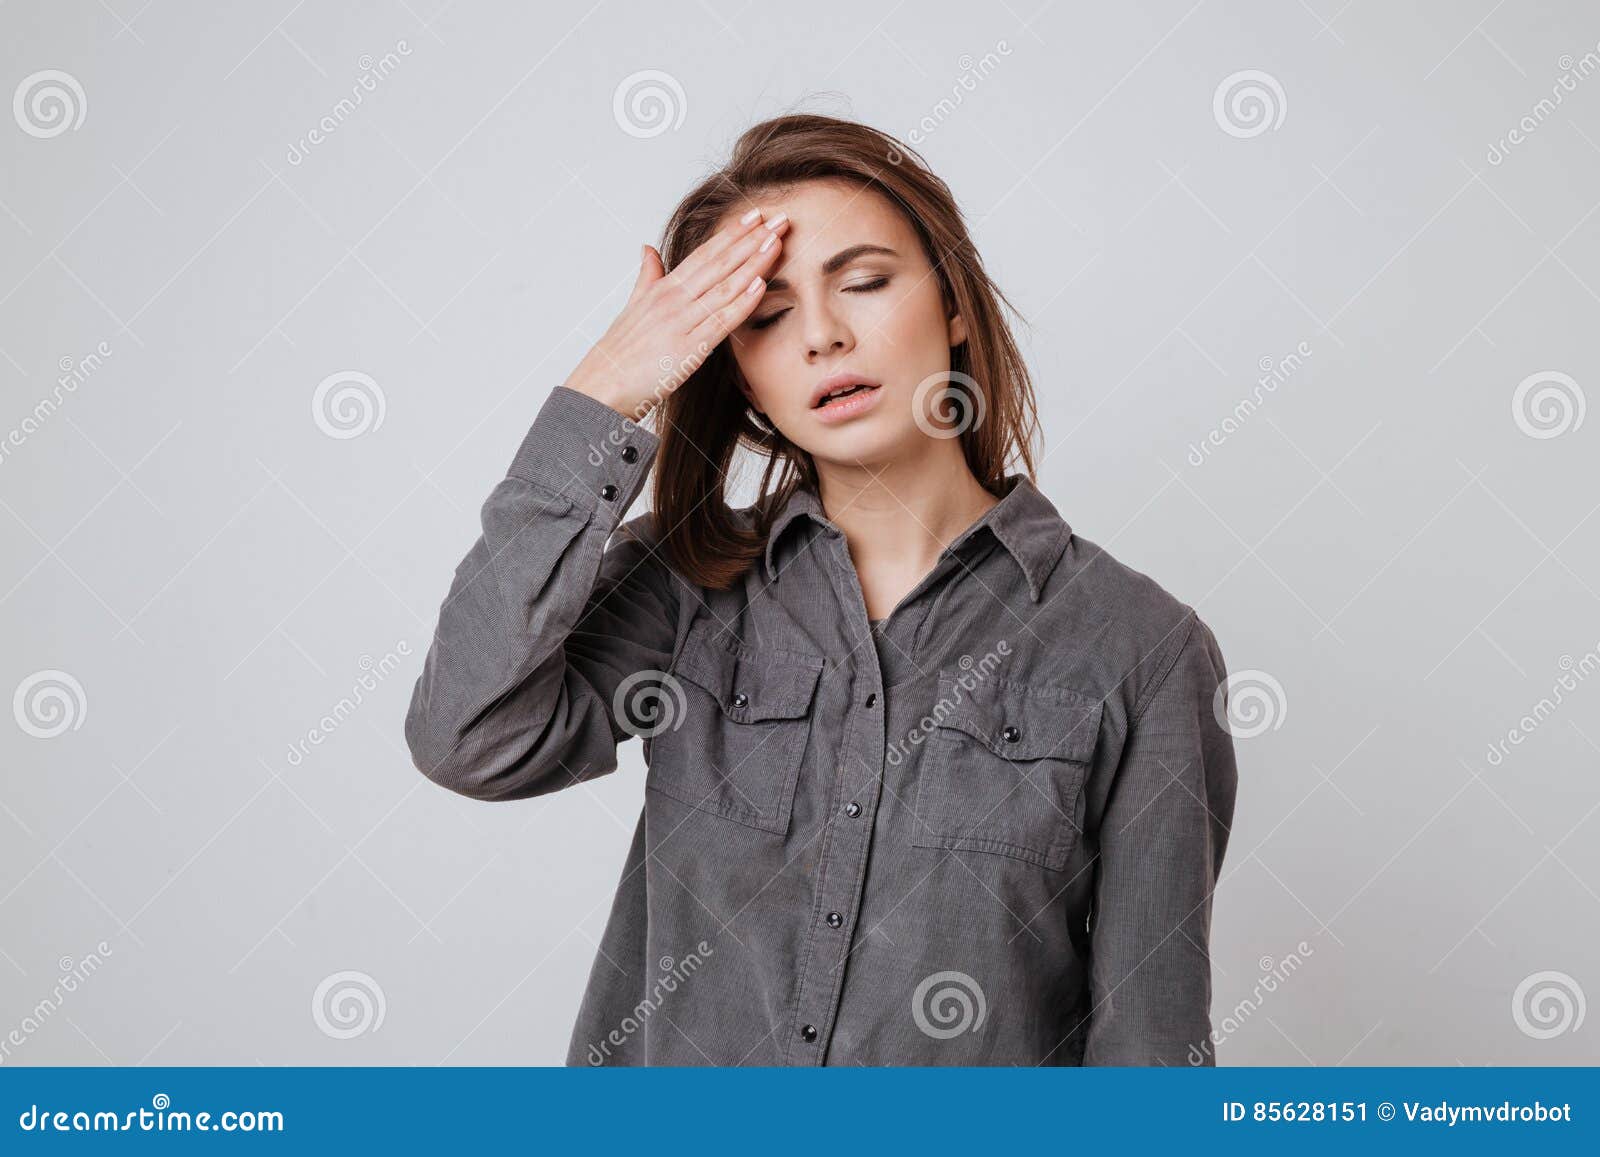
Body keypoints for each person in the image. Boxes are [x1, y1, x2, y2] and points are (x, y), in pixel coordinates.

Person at [405, 113, 1238, 1066]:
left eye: (867, 283)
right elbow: (467, 737)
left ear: (955, 306)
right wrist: (606, 393)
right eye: (765, 317)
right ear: (742, 376)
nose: (824, 337)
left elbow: (1152, 1048)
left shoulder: (1140, 648)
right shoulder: (686, 587)